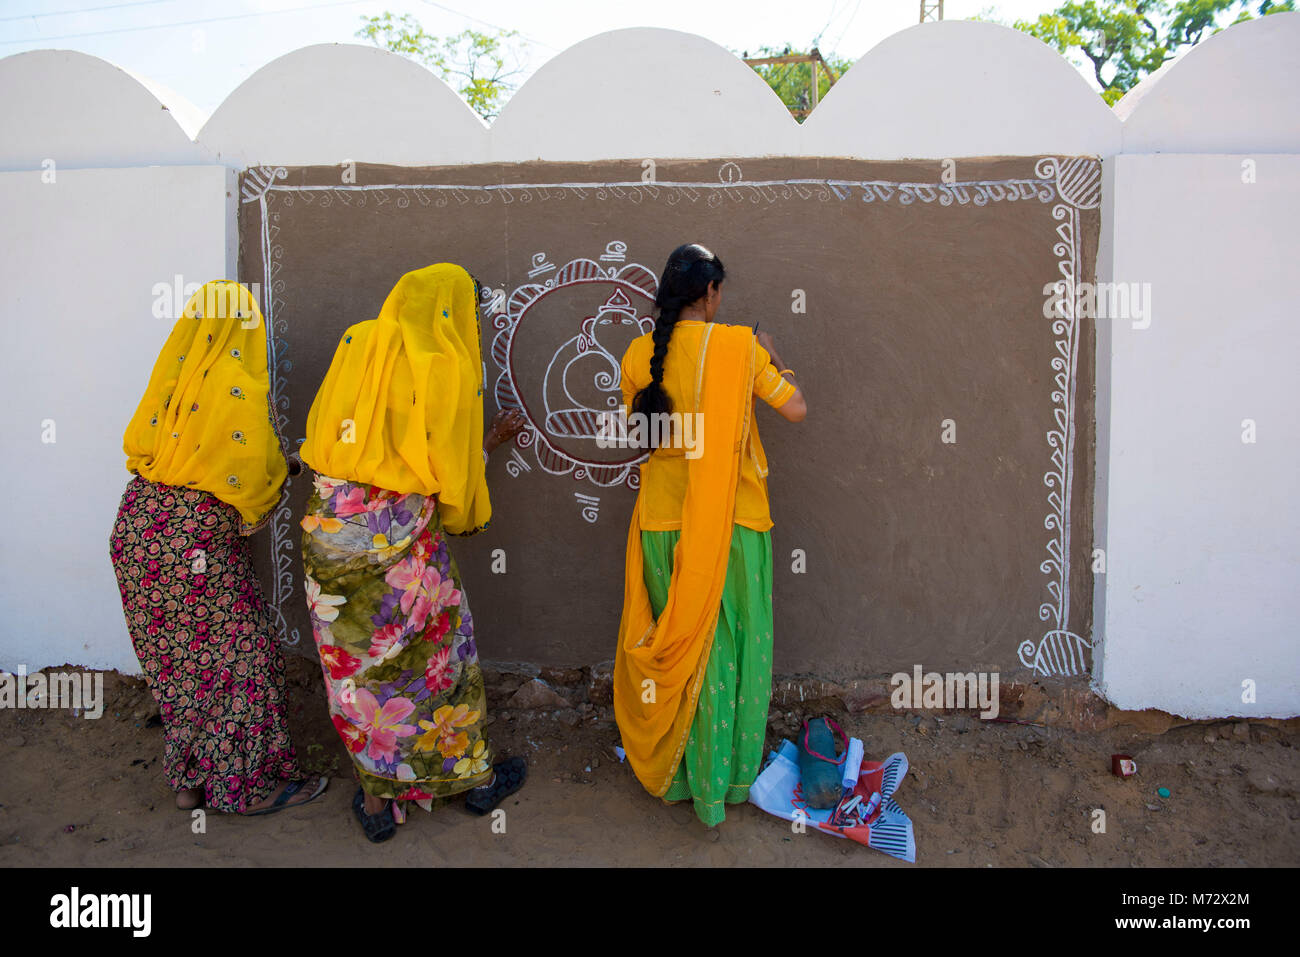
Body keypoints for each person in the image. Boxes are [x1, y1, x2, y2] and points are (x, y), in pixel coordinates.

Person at [298, 262, 528, 843]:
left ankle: (378, 800)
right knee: (439, 659)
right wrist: (486, 451)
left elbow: (332, 436)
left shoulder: (358, 342)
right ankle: (473, 783)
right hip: (399, 539)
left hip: (329, 532)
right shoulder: (443, 365)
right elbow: (440, 467)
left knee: (356, 668)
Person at [110, 280, 326, 816]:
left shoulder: (175, 375)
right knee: (243, 659)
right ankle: (253, 789)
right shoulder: (234, 380)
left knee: (177, 660)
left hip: (136, 528)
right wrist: (289, 471)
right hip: (193, 542)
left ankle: (189, 782)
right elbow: (251, 475)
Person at [613, 243, 806, 827]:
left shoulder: (640, 354)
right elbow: (795, 408)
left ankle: (679, 776)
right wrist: (774, 357)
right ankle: (727, 776)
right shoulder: (739, 348)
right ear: (712, 294)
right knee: (728, 649)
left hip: (663, 525)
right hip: (733, 526)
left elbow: (640, 436)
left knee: (685, 651)